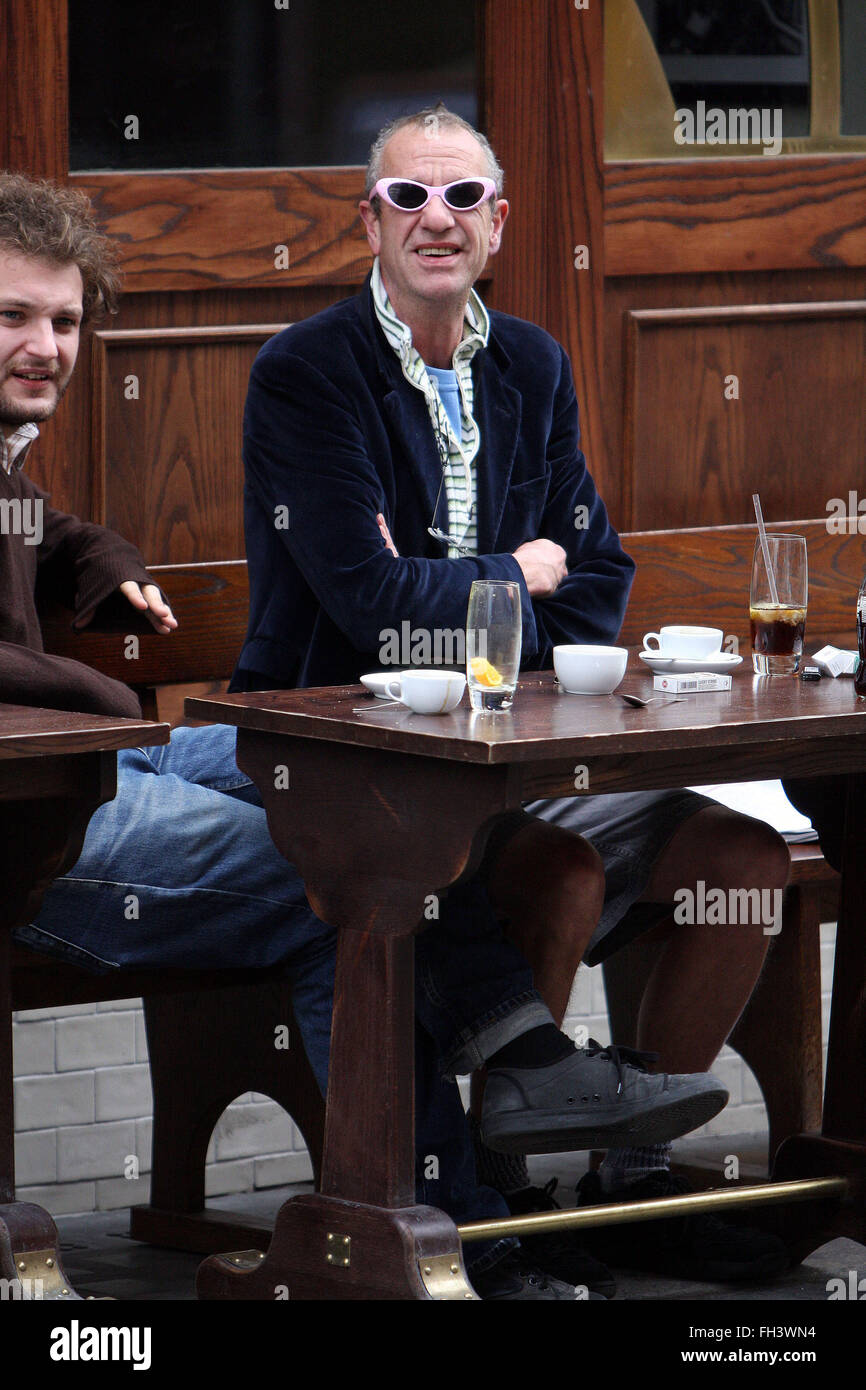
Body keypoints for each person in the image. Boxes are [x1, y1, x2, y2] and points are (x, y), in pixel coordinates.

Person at [1, 170, 727, 1301]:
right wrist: (92, 703)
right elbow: (367, 593)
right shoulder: (312, 371)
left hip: (85, 768)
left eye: (62, 320)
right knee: (340, 884)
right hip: (29, 813)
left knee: (326, 783)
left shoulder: (5, 452)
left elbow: (37, 528)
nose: (43, 345)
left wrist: (101, 561)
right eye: (13, 317)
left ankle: (513, 1096)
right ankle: (462, 1238)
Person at [230, 103, 791, 1286]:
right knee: (557, 868)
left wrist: (479, 588)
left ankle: (631, 1186)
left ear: (497, 220)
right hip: (350, 759)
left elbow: (596, 579)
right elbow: (363, 603)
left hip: (518, 746)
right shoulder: (306, 373)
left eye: (461, 197)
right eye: (406, 197)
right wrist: (508, 571)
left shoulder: (530, 360)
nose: (435, 218)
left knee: (739, 858)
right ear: (367, 222)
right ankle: (504, 1208)